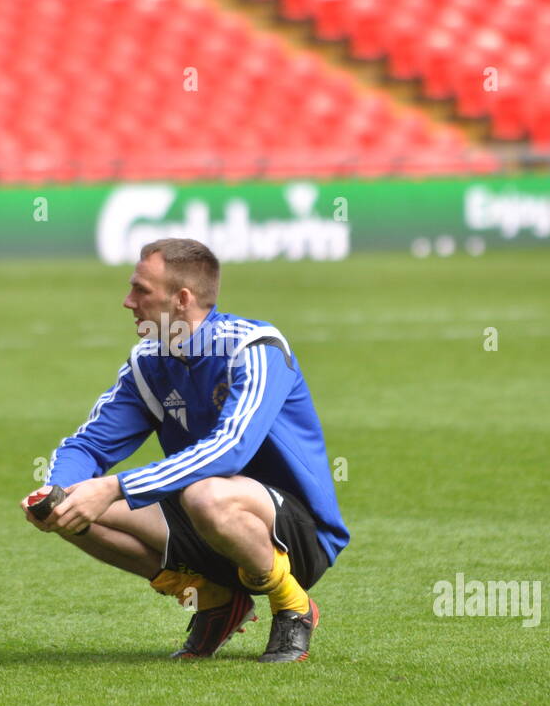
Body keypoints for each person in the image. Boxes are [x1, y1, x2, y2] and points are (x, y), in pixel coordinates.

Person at [20, 238, 350, 662]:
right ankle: (213, 600)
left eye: (141, 290)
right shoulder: (149, 364)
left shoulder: (254, 348)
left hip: (296, 536)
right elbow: (89, 443)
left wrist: (117, 487)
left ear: (182, 299)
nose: (128, 302)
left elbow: (229, 449)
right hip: (209, 528)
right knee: (76, 506)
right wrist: (56, 492)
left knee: (205, 494)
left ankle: (293, 606)